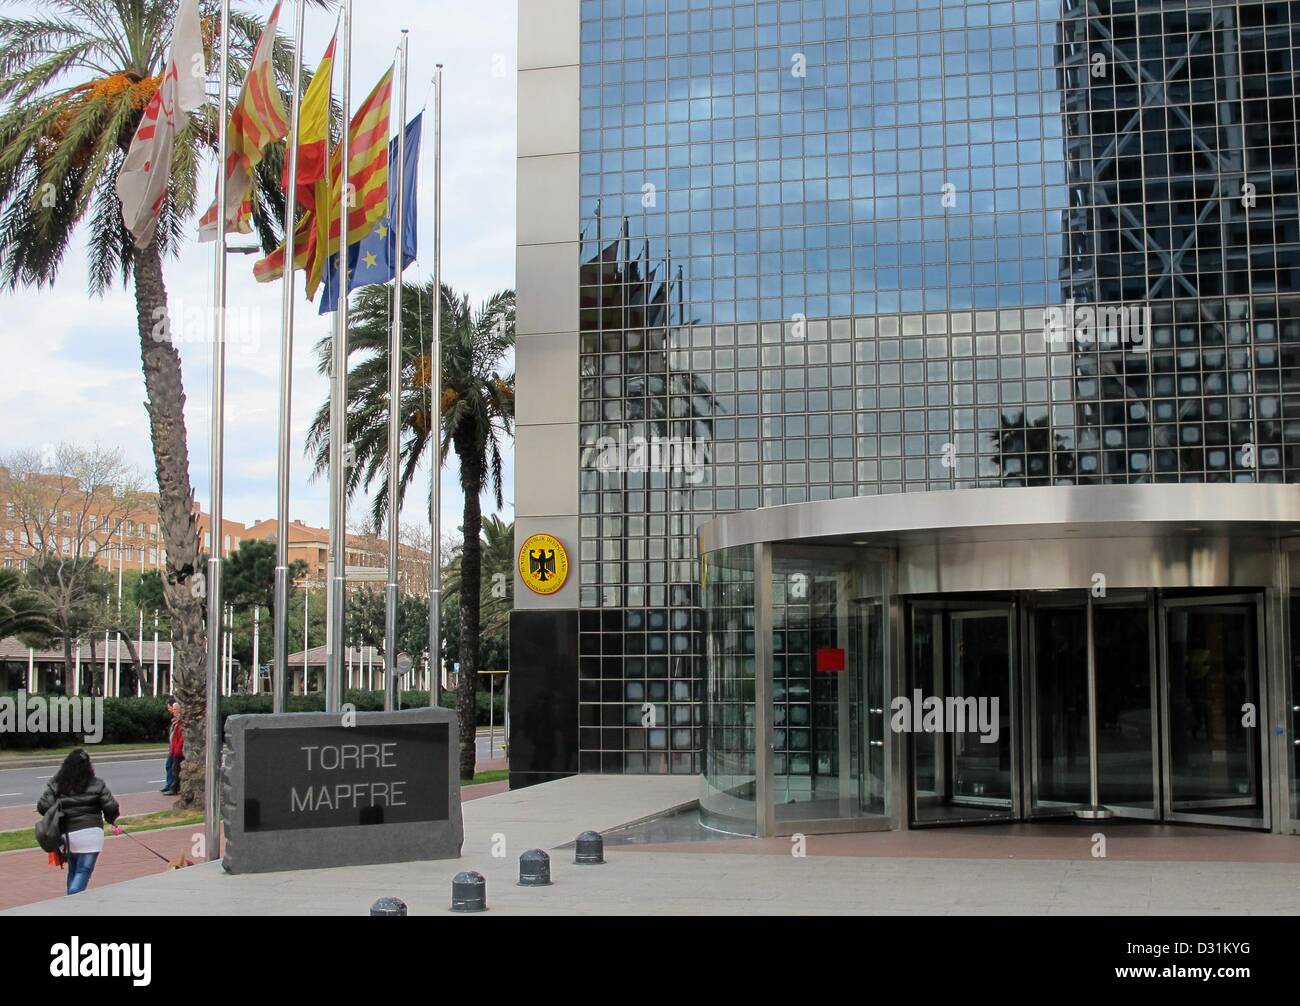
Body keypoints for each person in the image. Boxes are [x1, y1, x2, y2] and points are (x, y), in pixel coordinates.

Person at [36, 749, 120, 896]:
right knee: (84, 870)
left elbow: (43, 806)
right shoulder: (97, 784)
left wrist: (59, 807)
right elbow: (111, 806)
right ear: (88, 766)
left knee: (73, 870)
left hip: (68, 835)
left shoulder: (57, 784)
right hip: (92, 834)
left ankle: (71, 902)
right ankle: (73, 898)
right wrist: (111, 819)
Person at [162, 699, 183, 796]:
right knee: (172, 768)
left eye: (174, 709)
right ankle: (171, 786)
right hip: (173, 750)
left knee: (175, 769)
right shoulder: (176, 722)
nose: (172, 711)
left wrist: (177, 750)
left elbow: (181, 738)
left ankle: (173, 787)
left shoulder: (181, 723)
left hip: (177, 751)